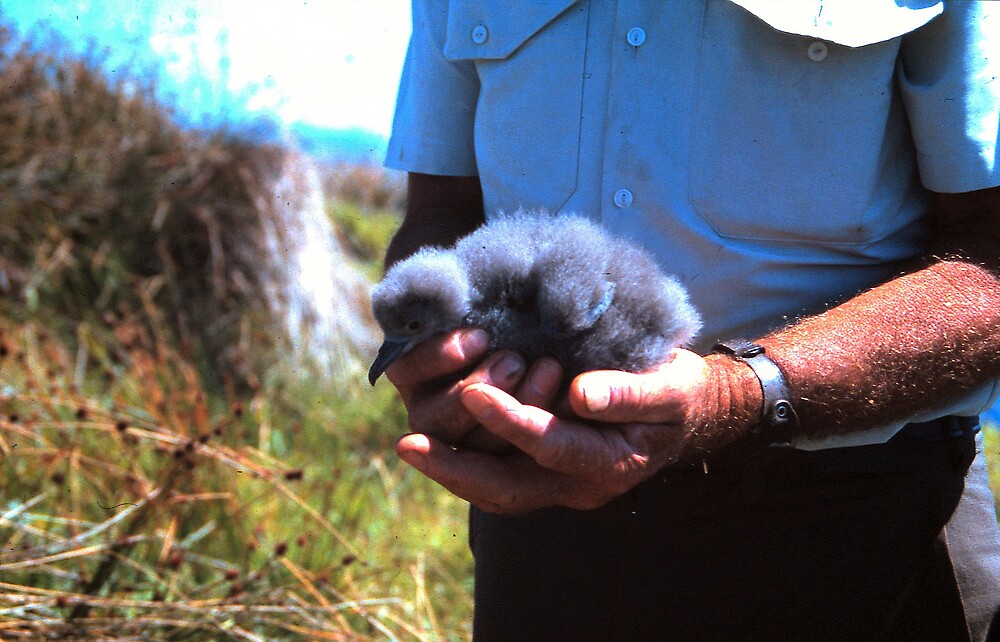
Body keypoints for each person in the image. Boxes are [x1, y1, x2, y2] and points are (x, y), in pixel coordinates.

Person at [380, 1, 1000, 639]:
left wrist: (742, 392)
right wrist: (442, 365)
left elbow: (992, 258)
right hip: (549, 516)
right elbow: (439, 213)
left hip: (865, 517)